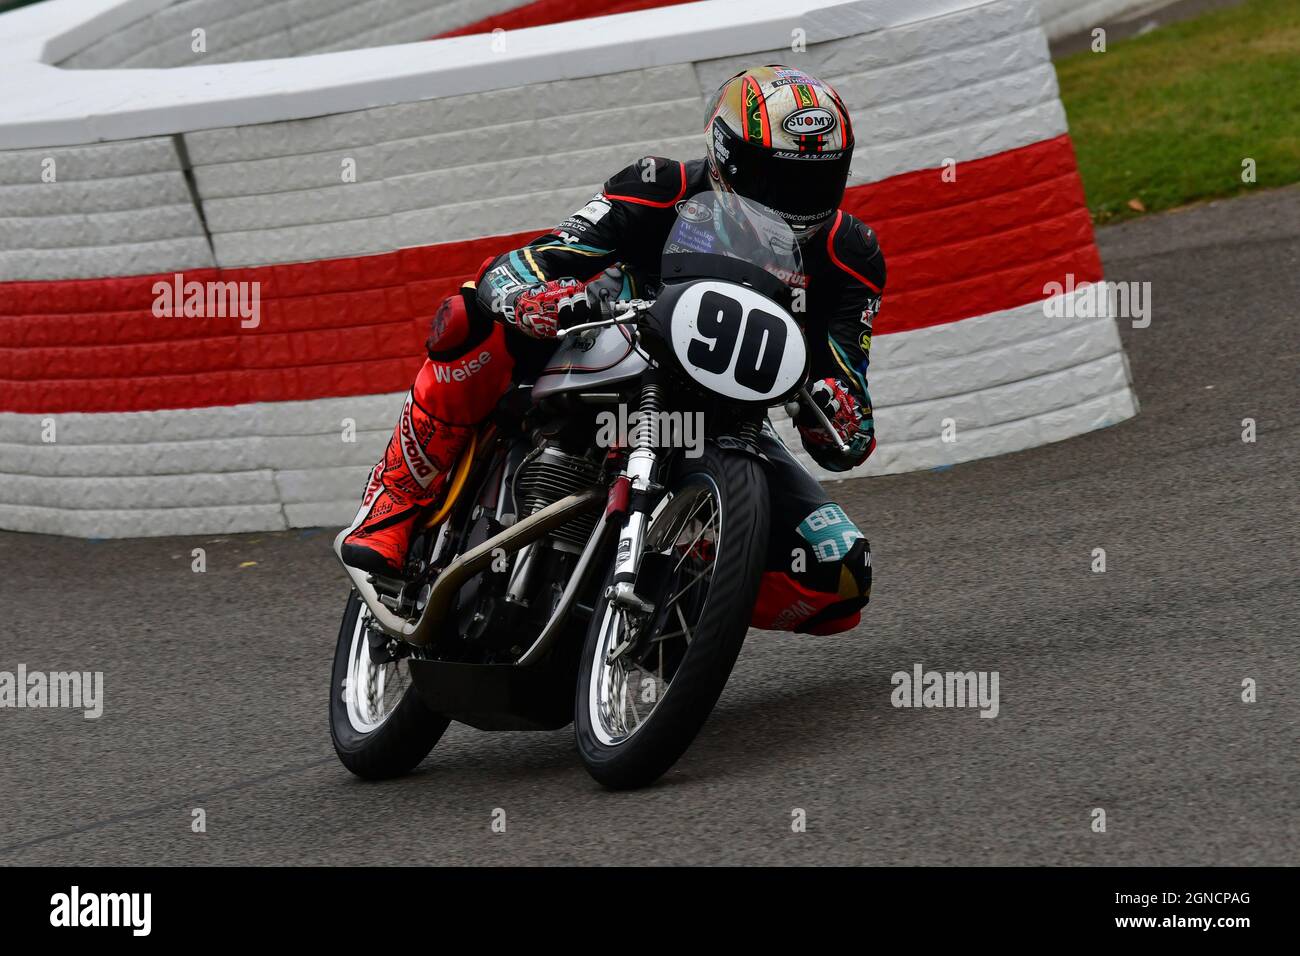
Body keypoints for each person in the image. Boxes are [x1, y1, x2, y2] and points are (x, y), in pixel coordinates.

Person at [341, 65, 884, 635]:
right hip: (610, 350)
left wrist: (836, 405)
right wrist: (535, 298)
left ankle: (683, 583)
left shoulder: (852, 255)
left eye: (819, 179)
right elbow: (533, 260)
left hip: (726, 417)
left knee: (840, 576)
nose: (799, 199)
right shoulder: (659, 184)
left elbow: (850, 405)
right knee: (470, 317)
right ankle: (392, 503)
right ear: (729, 156)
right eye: (780, 179)